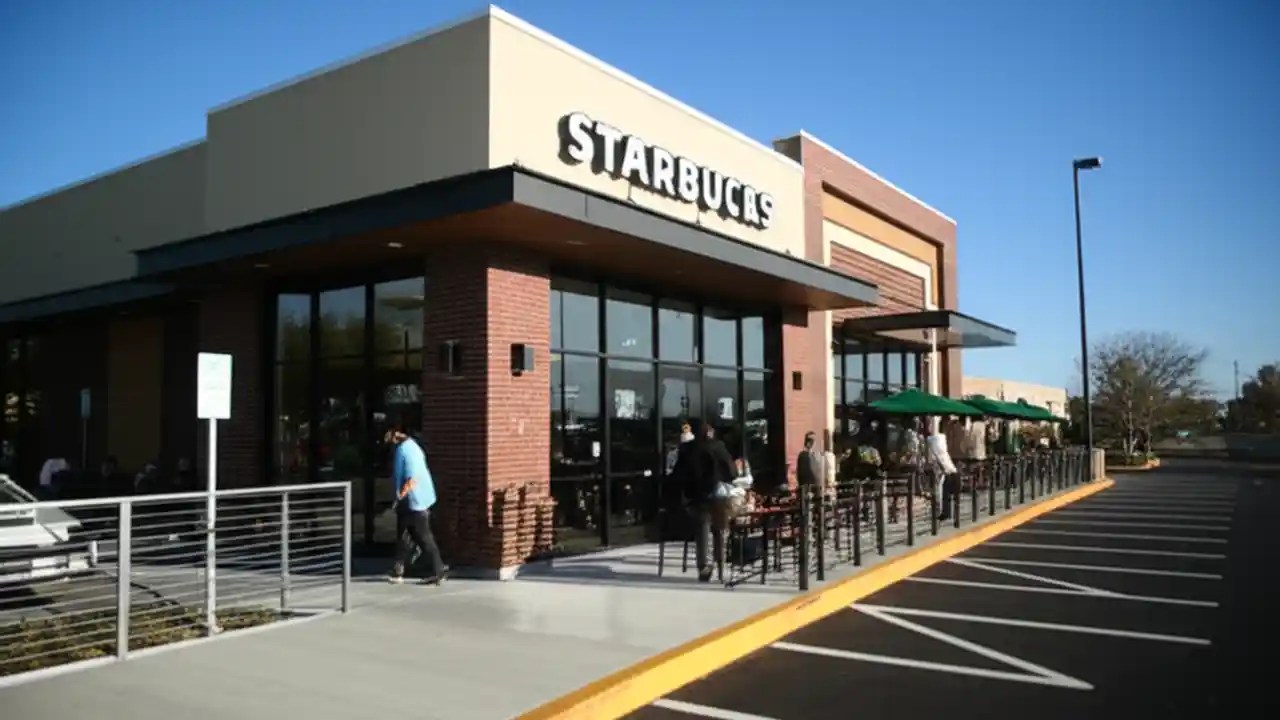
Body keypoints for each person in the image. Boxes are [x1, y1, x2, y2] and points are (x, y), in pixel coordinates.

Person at [386, 426, 447, 585]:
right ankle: (398, 569)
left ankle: (438, 570)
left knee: (423, 536)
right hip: (418, 499)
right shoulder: (413, 446)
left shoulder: (405, 450)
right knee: (405, 534)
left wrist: (399, 496)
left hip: (414, 501)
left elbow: (411, 479)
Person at [680, 422, 735, 583]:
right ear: (710, 433)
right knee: (720, 530)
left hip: (697, 495)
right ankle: (721, 565)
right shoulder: (719, 447)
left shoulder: (688, 449)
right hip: (717, 494)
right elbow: (732, 471)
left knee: (702, 531)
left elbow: (680, 473)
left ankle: (704, 566)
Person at [926, 418, 959, 521]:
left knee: (942, 492)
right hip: (950, 470)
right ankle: (946, 513)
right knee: (944, 493)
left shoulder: (935, 440)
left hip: (946, 471)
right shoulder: (940, 439)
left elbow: (937, 456)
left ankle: (943, 512)